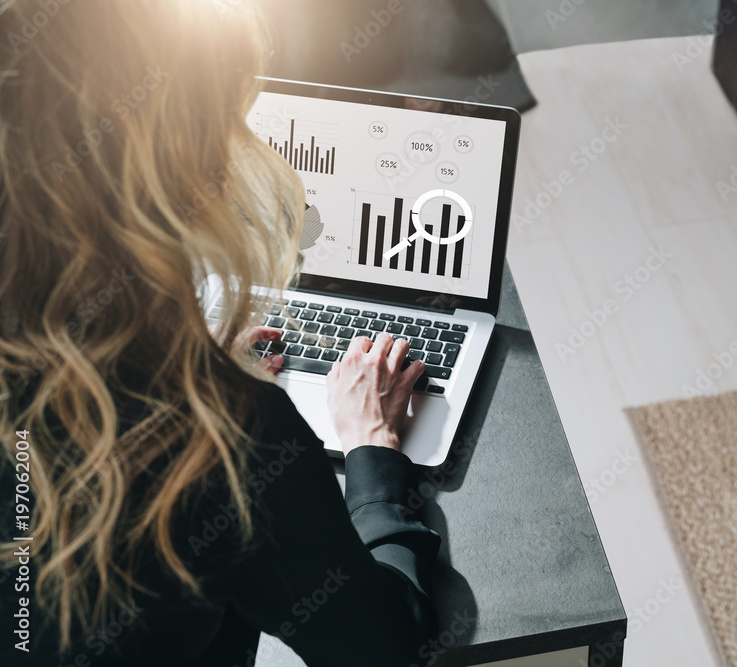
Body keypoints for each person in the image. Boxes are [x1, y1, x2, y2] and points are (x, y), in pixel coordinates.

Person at [0, 1, 440, 665]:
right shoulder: (224, 440)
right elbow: (377, 647)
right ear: (185, 164)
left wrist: (163, 348)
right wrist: (373, 456)